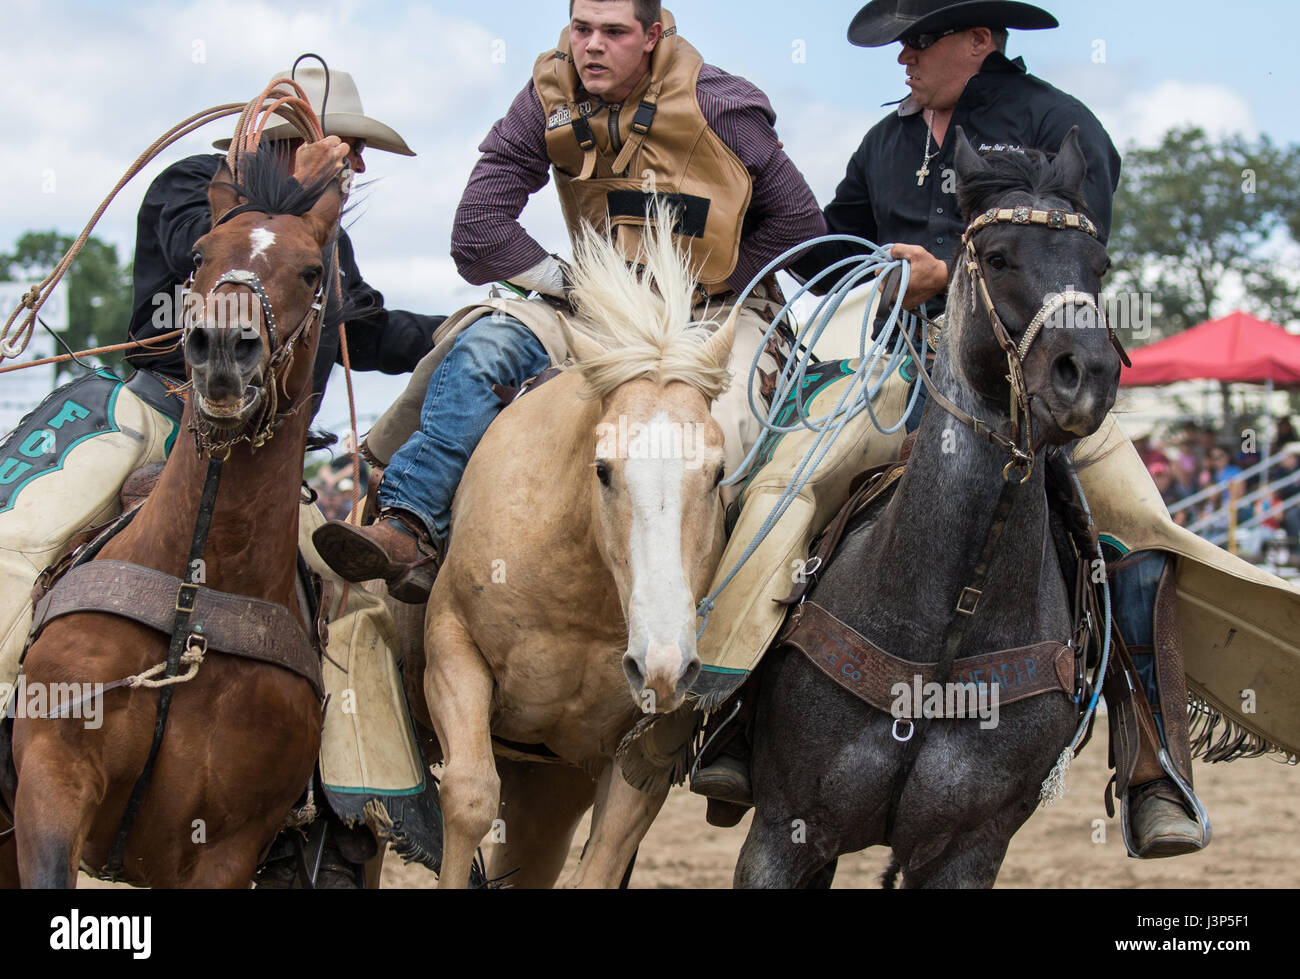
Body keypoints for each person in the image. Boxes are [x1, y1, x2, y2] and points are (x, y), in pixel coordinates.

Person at [695, 0, 1215, 861]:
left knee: (1144, 538)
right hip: (897, 371)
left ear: (980, 38)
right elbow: (835, 246)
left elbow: (1080, 258)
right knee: (781, 484)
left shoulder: (1062, 125)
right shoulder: (887, 141)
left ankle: (1156, 767)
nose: (904, 56)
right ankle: (734, 713)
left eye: (921, 38)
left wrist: (953, 279)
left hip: (1038, 383)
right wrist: (830, 255)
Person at [0, 66, 442, 887]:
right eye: (336, 148)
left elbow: (370, 329)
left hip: (268, 459)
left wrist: (460, 330)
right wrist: (288, 196)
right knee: (15, 536)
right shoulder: (190, 191)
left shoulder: (321, 240)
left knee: (350, 616)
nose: (350, 165)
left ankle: (336, 825)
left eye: (350, 154)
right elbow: (211, 252)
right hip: (147, 419)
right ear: (278, 145)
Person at [312, 0, 827, 602]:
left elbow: (799, 226)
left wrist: (702, 283)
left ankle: (727, 610)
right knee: (485, 343)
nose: (591, 47)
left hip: (718, 310)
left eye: (614, 32)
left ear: (653, 35)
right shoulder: (547, 97)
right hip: (600, 300)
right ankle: (411, 527)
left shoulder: (720, 104)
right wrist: (578, 284)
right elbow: (478, 230)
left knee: (725, 436)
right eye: (582, 30)